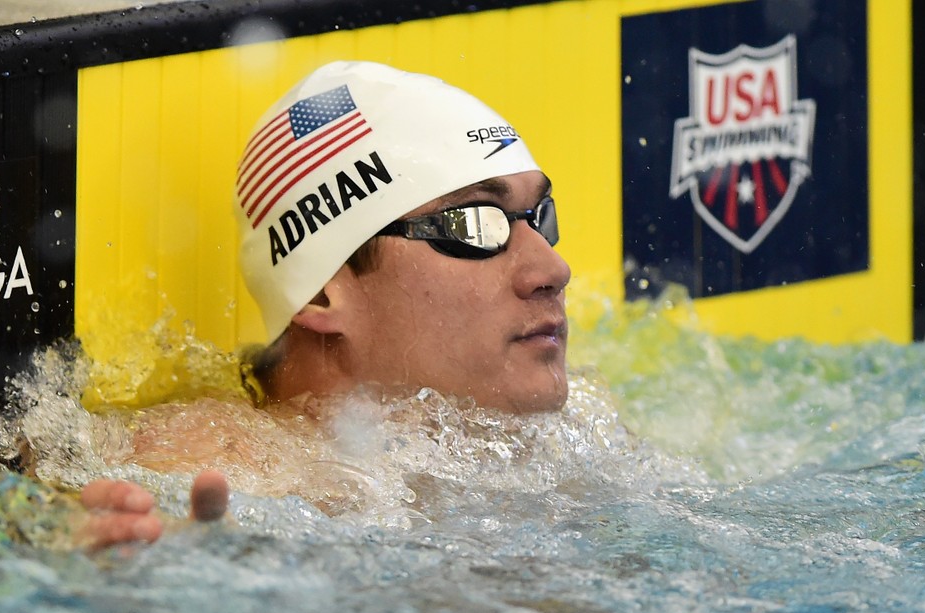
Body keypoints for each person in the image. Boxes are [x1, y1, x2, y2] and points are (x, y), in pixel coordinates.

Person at [77, 60, 571, 547]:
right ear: (319, 291)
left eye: (538, 216)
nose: (552, 270)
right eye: (474, 223)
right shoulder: (213, 462)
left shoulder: (574, 430)